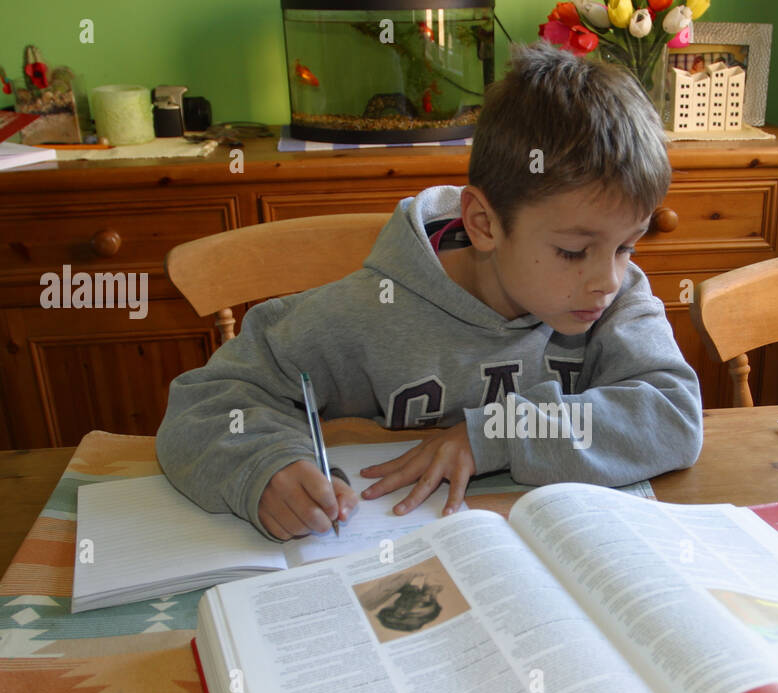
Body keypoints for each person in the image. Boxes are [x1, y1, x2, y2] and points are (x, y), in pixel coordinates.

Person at [155, 42, 703, 541]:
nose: (608, 278)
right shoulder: (369, 309)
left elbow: (674, 414)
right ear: (484, 225)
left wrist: (496, 433)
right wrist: (265, 467)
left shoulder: (614, 296)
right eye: (572, 251)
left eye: (627, 246)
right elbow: (206, 403)